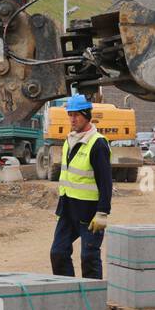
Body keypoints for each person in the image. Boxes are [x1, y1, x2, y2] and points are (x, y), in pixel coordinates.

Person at [50, 94, 112, 280]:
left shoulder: (97, 143)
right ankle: (67, 291)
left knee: (89, 257)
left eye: (76, 115)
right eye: (70, 114)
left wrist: (103, 212)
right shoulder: (69, 141)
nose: (72, 119)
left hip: (90, 213)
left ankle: (92, 301)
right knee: (58, 253)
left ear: (86, 115)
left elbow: (105, 181)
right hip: (68, 209)